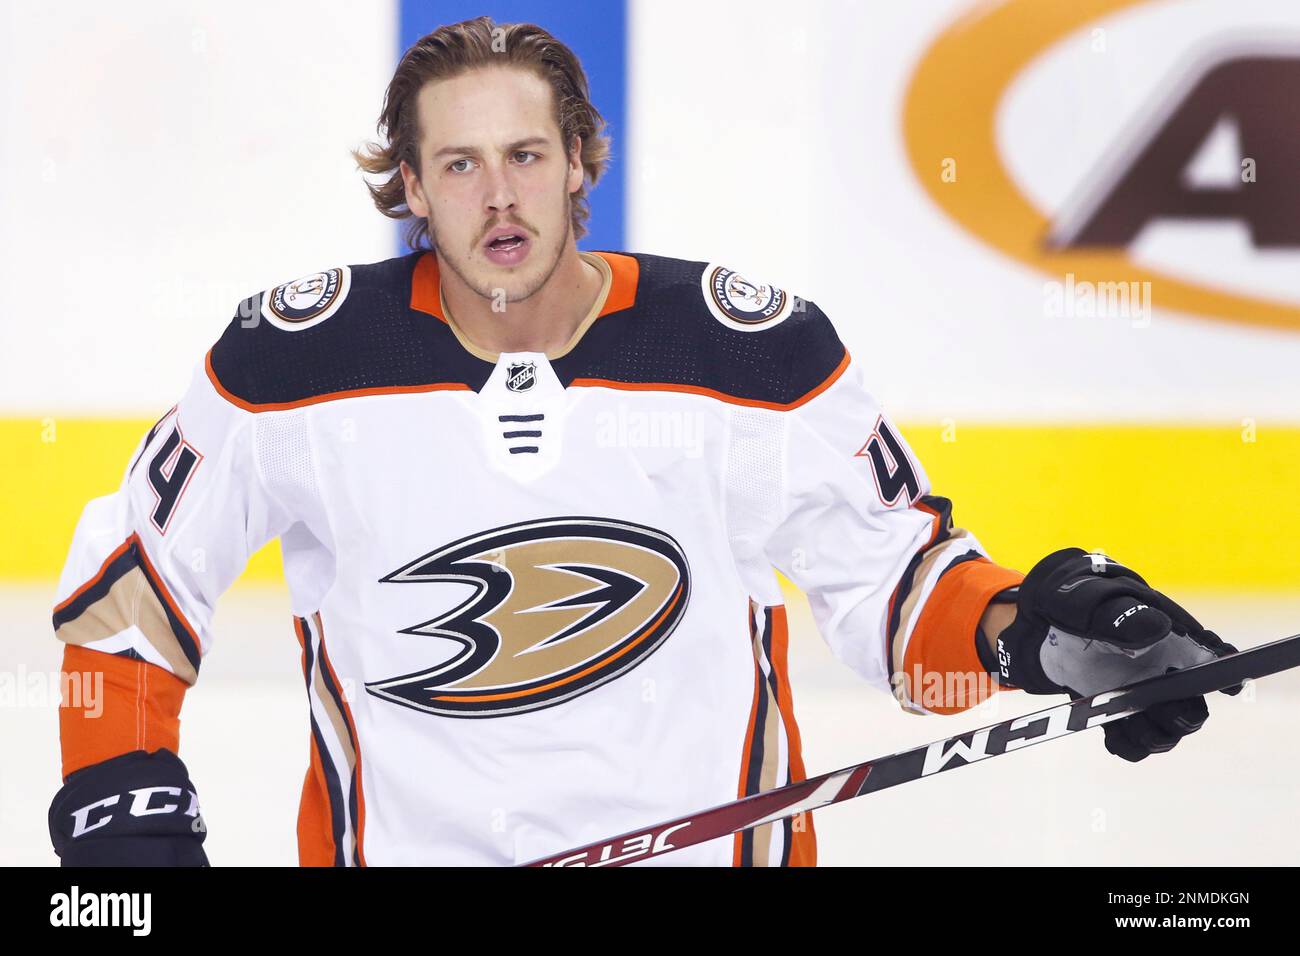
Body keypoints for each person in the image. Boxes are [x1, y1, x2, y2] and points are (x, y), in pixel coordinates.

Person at [47, 16, 1238, 867]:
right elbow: (136, 581)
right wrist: (116, 790)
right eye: (458, 164)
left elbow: (896, 590)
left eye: (525, 156)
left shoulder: (750, 353)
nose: (497, 196)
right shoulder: (292, 364)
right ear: (409, 183)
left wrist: (1028, 632)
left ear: (580, 163)